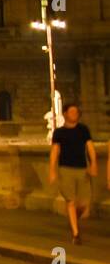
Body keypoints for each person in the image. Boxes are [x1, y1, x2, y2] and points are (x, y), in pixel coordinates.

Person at [50, 102, 95, 245]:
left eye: (77, 112)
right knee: (71, 201)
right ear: (65, 114)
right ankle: (76, 234)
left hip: (82, 169)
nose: (75, 114)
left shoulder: (83, 130)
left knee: (84, 204)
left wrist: (93, 163)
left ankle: (73, 218)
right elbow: (55, 151)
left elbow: (90, 147)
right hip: (66, 169)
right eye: (72, 112)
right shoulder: (59, 132)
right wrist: (52, 170)